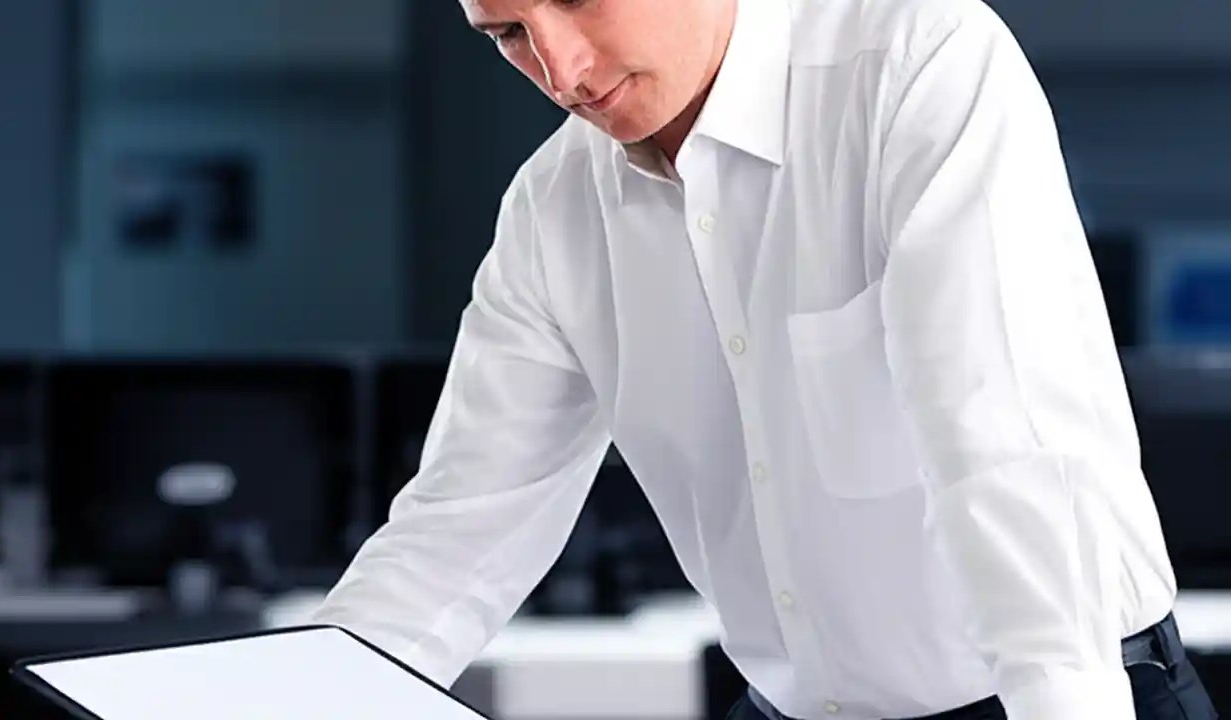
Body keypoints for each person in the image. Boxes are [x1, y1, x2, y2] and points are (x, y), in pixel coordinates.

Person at [314, 0, 1219, 717]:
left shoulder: (917, 65)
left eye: (579, 0)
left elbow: (1001, 447)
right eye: (508, 33)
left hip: (1059, 692)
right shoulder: (553, 211)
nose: (561, 71)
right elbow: (454, 535)